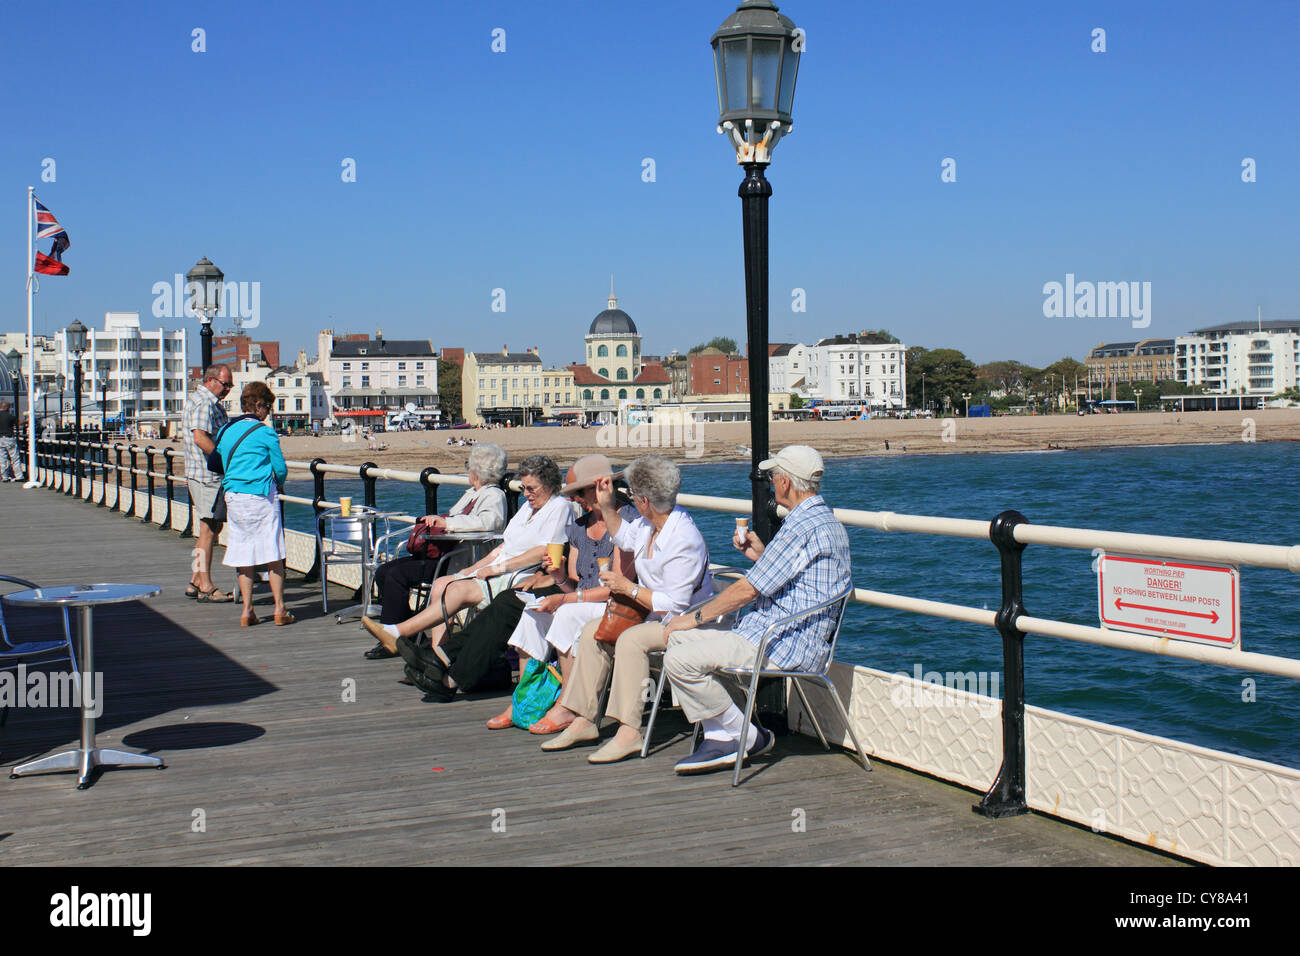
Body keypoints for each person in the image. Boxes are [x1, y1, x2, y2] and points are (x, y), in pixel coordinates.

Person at [660, 445, 851, 774]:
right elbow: (794, 581)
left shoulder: (801, 527)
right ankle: (726, 734)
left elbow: (746, 591)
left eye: (774, 477)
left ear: (786, 483)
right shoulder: (818, 520)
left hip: (782, 644)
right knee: (677, 643)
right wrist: (761, 555)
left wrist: (692, 618)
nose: (772, 483)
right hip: (780, 634)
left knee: (678, 656)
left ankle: (741, 735)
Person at [541, 455, 711, 764]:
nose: (629, 498)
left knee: (631, 639)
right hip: (657, 616)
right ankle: (584, 718)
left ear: (644, 501)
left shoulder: (682, 538)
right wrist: (607, 506)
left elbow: (677, 605)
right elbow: (624, 535)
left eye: (632, 494)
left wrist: (627, 587)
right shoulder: (649, 525)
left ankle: (630, 730)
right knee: (593, 630)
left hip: (686, 622)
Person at [361, 453, 571, 657]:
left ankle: (399, 633)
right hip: (499, 566)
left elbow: (545, 550)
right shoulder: (527, 507)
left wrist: (496, 568)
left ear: (549, 485)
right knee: (442, 583)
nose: (526, 494)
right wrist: (471, 569)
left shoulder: (559, 507)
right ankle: (435, 655)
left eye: (531, 489)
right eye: (523, 488)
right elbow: (504, 547)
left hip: (516, 574)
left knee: (455, 590)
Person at [496, 454, 639, 733]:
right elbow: (575, 583)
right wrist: (559, 577)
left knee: (565, 612)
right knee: (533, 612)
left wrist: (563, 599)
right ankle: (524, 699)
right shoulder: (580, 527)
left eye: (579, 492)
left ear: (601, 488)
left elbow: (618, 587)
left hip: (617, 604)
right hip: (586, 600)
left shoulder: (628, 524)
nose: (575, 500)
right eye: (572, 494)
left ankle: (568, 705)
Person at [362, 442, 509, 660]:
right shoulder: (472, 493)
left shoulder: (494, 495)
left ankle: (393, 638)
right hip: (442, 554)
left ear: (477, 471)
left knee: (396, 575)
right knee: (384, 571)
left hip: (458, 560)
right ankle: (402, 633)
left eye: (470, 466)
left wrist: (447, 523)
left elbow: (488, 522)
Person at [216, 380, 292, 627]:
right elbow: (279, 468)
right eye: (268, 408)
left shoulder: (225, 432)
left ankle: (247, 609)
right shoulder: (265, 432)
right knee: (273, 552)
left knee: (242, 552)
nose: (268, 413)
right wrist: (279, 482)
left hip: (234, 496)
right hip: (261, 495)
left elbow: (221, 461)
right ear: (258, 406)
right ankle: (280, 608)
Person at [183, 364, 234, 602]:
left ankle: (195, 580)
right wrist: (222, 461)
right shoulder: (204, 403)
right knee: (208, 529)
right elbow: (200, 436)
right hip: (207, 475)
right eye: (225, 384)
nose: (228, 390)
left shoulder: (202, 401)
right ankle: (205, 584)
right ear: (211, 380)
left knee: (211, 528)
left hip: (203, 474)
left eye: (230, 385)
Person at [0, 400, 22, 482]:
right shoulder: (10, 416)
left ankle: (4, 477)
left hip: (0, 439)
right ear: (6, 408)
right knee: (15, 458)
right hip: (9, 438)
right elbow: (19, 423)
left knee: (2, 459)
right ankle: (19, 476)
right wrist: (27, 421)